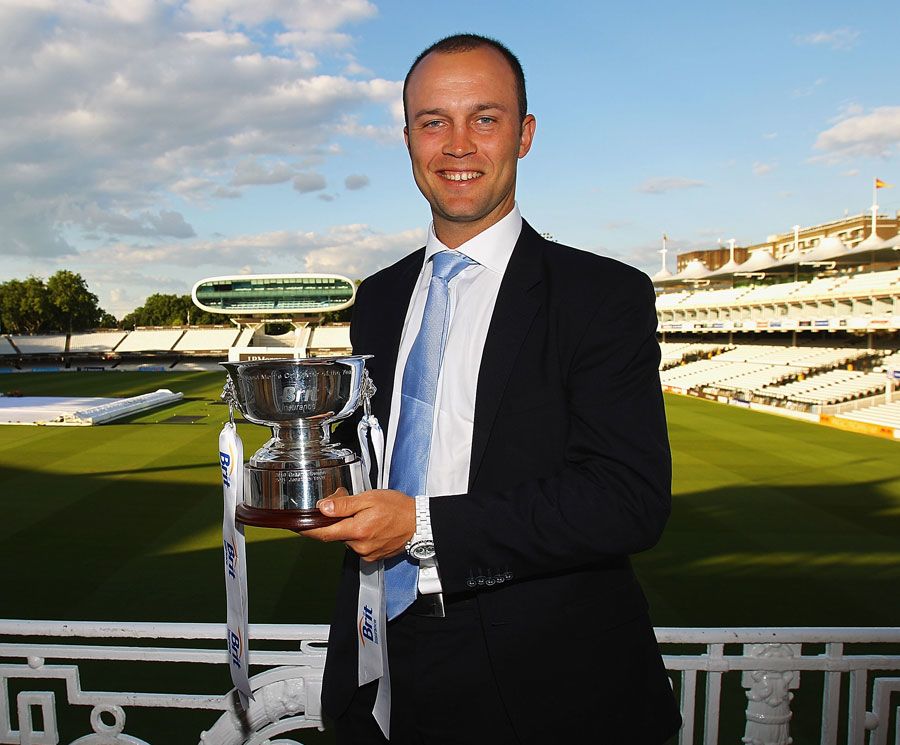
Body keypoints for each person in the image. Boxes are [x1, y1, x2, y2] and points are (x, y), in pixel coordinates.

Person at [301, 33, 681, 744]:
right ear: (408, 137)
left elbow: (629, 500)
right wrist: (306, 478)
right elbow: (372, 451)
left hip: (549, 678)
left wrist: (419, 524)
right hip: (381, 660)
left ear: (524, 134)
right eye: (433, 121)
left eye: (485, 117)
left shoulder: (601, 295)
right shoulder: (378, 298)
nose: (457, 145)